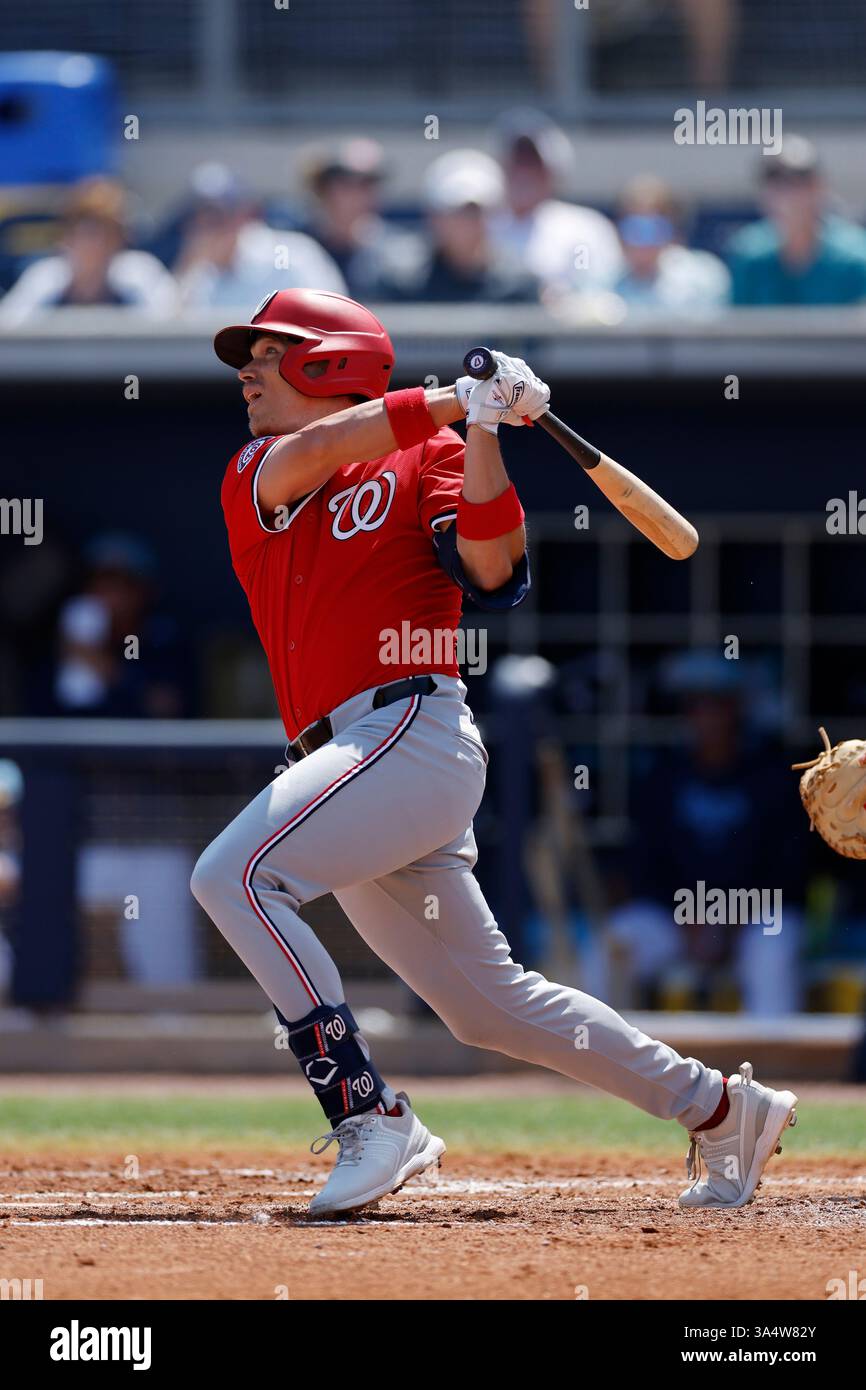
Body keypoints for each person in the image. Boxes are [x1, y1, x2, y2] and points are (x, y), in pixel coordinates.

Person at [192, 286, 798, 1217]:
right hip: (347, 764)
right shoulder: (258, 466)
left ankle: (367, 1114)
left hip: (408, 732)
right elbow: (321, 450)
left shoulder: (431, 452)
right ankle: (720, 1108)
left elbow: (491, 568)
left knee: (233, 876)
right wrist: (456, 397)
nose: (247, 374)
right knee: (488, 1007)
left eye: (267, 354)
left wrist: (481, 431)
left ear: (330, 361)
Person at [0, 178, 177, 326]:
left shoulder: (141, 273)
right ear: (66, 239)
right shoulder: (44, 277)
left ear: (121, 240)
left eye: (105, 235)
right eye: (85, 233)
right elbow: (9, 331)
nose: (94, 245)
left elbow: (172, 328)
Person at [490, 109, 623, 299]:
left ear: (553, 172)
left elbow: (599, 293)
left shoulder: (586, 228)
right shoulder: (480, 225)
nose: (523, 173)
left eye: (534, 164)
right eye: (517, 162)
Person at [173, 162, 345, 309]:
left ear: (244, 216)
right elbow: (173, 327)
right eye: (198, 217)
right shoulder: (196, 275)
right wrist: (187, 270)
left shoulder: (292, 255)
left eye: (217, 215)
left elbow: (332, 315)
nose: (207, 227)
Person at [385, 149, 538, 303]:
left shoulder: (519, 285)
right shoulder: (403, 283)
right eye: (458, 212)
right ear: (434, 217)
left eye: (476, 212)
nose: (468, 223)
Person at [728, 136, 866, 306]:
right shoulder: (749, 255)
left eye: (798, 182)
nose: (786, 196)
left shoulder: (855, 256)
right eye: (775, 182)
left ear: (819, 187)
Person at [299, 139, 420, 300]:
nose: (363, 195)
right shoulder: (298, 250)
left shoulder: (397, 254)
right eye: (349, 184)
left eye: (371, 183)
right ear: (324, 189)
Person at [613, 175, 730, 314]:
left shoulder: (704, 277)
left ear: (672, 232)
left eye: (654, 230)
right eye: (634, 229)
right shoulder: (607, 284)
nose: (643, 243)